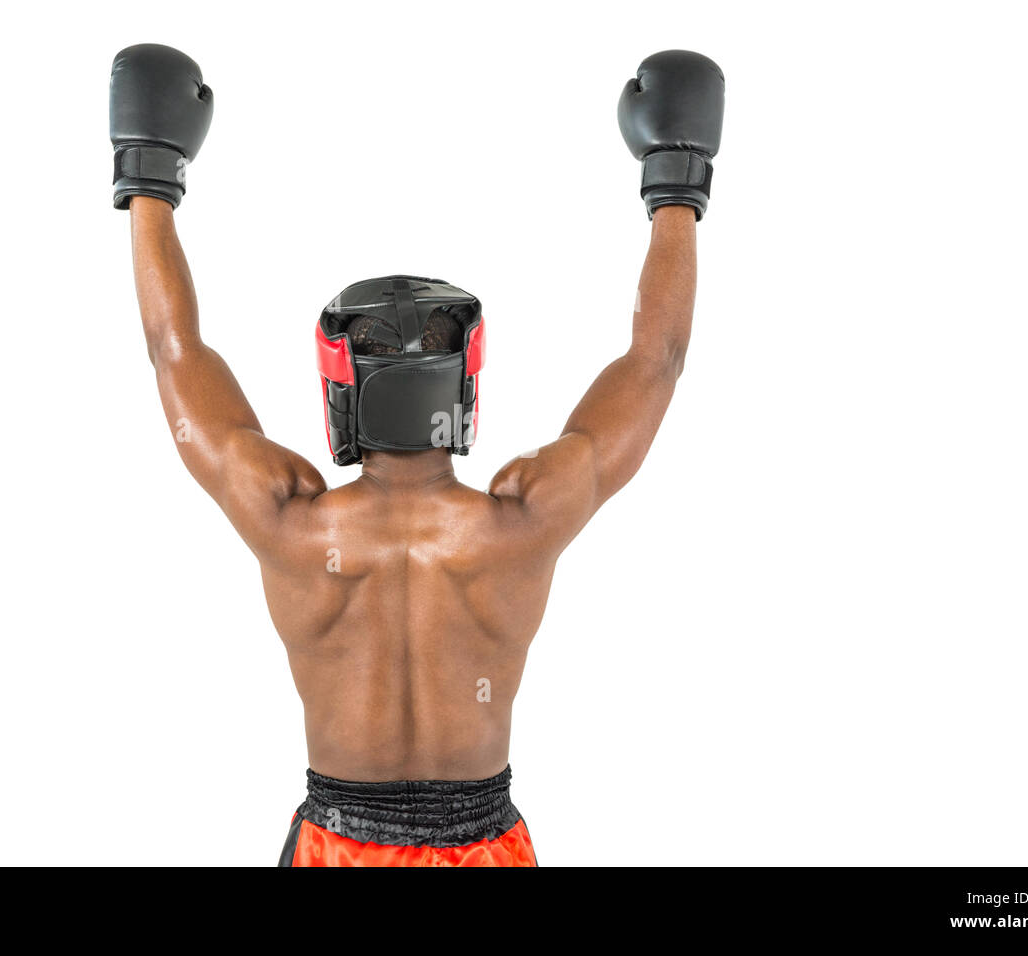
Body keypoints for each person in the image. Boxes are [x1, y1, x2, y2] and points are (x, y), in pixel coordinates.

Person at [109, 44, 724, 866]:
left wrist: (150, 179)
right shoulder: (525, 518)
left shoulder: (286, 517)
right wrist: (674, 184)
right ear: (462, 390)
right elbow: (657, 361)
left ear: (341, 391)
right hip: (485, 848)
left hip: (339, 847)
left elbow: (173, 350)